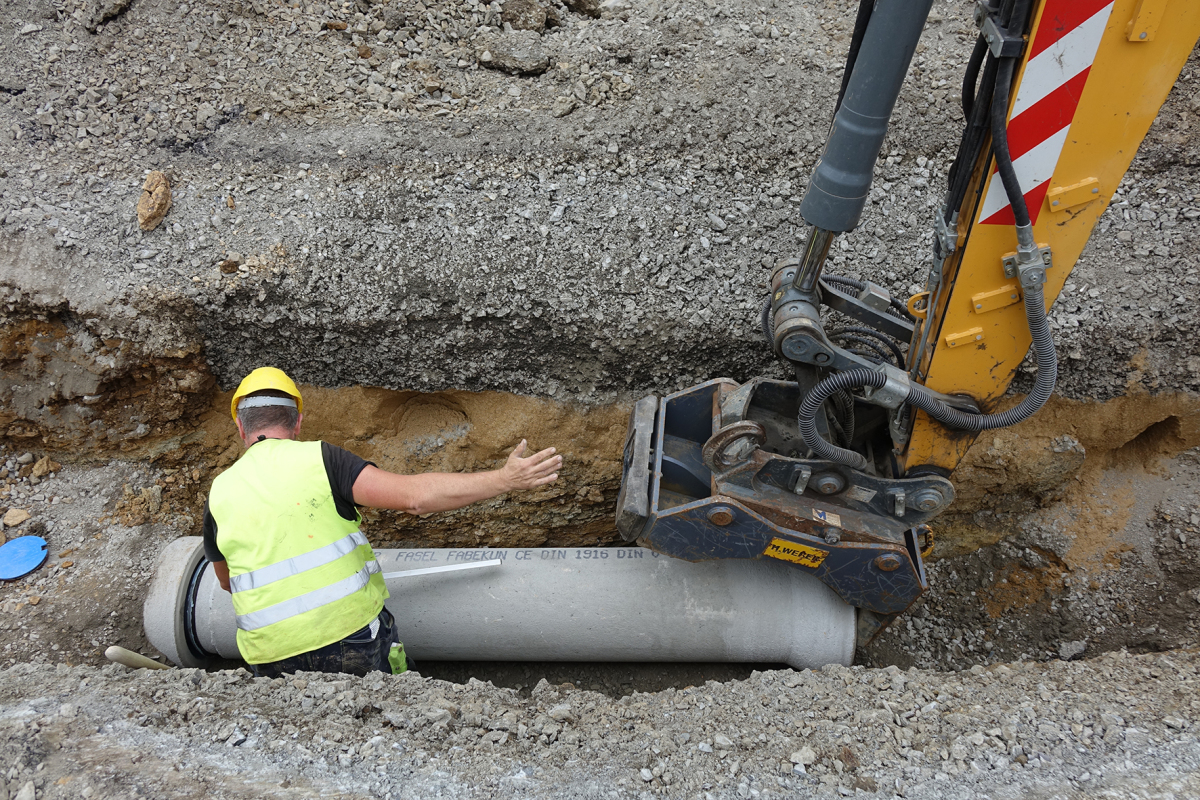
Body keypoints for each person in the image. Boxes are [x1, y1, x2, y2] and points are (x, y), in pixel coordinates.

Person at [201, 367, 561, 678]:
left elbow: (228, 582)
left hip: (267, 653)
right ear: (297, 421)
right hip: (346, 640)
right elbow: (414, 497)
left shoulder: (219, 492)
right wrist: (504, 479)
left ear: (239, 425)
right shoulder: (322, 460)